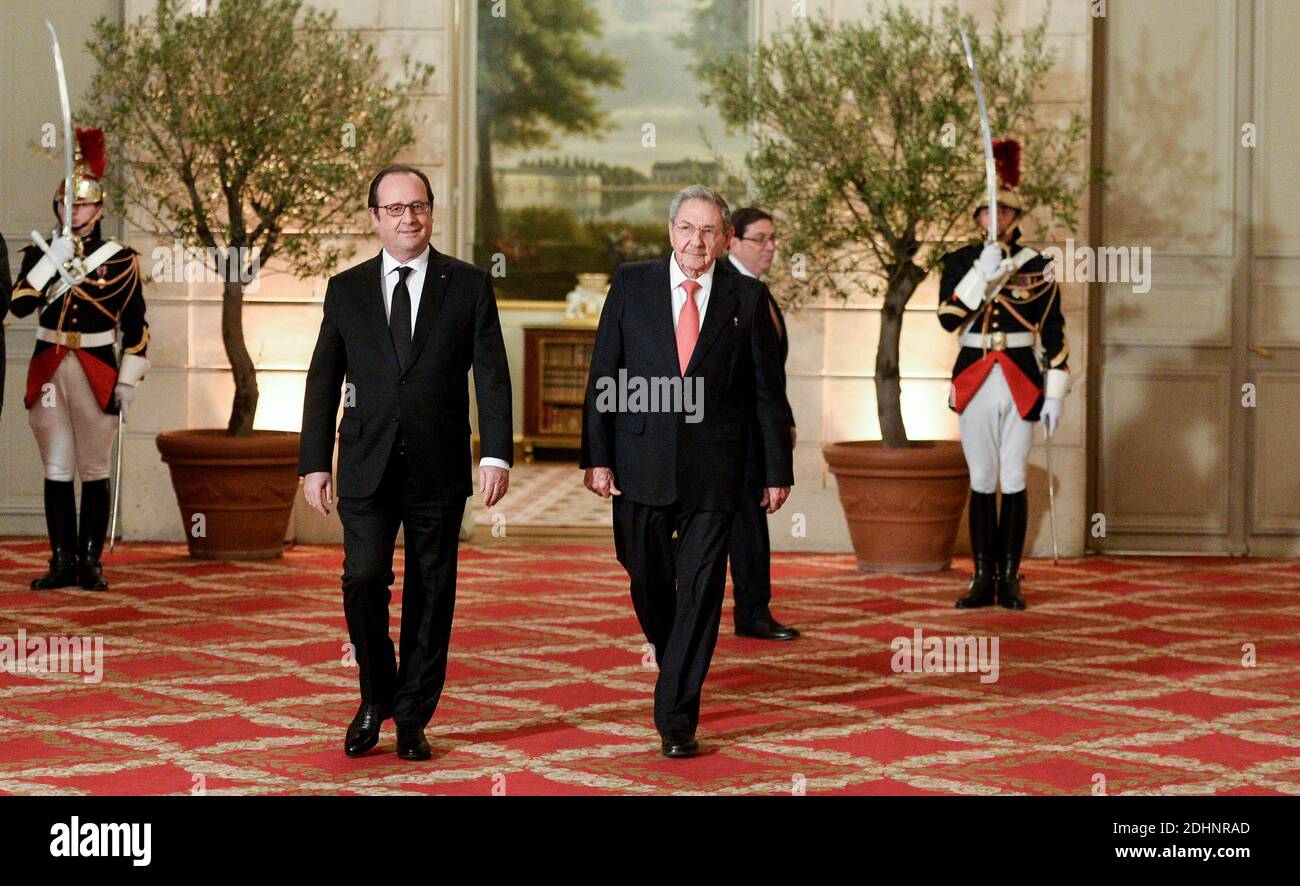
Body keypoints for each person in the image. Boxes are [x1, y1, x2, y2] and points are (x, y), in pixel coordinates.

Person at [298, 164, 513, 761]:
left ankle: (413, 716)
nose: (408, 218)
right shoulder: (346, 288)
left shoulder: (467, 285)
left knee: (433, 590)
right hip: (365, 462)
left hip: (439, 465)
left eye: (417, 206)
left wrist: (495, 452)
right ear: (374, 218)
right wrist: (314, 461)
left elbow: (491, 375)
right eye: (394, 209)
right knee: (362, 578)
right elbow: (323, 379)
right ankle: (375, 694)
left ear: (430, 212)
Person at [581, 185, 794, 758]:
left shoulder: (744, 298)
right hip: (638, 463)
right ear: (670, 231)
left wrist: (776, 470)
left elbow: (766, 395)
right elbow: (605, 373)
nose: (696, 241)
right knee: (645, 573)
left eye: (708, 231)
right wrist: (596, 457)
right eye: (686, 228)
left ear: (724, 239)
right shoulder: (631, 283)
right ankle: (675, 653)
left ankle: (676, 715)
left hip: (717, 471)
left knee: (701, 590)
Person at [8, 127, 149, 592]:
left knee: (93, 467)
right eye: (67, 204)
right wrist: (52, 262)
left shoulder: (121, 260)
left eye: (83, 204)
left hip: (95, 367)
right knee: (56, 466)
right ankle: (61, 558)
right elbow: (21, 305)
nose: (74, 211)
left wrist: (127, 381)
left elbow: (136, 328)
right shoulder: (39, 254)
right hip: (49, 363)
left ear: (99, 209)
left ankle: (91, 561)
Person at [936, 139, 1067, 611]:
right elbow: (950, 319)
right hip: (974, 374)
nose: (997, 221)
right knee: (981, 475)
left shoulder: (1037, 263)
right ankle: (980, 576)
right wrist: (979, 275)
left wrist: (1055, 392)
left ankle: (1009, 577)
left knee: (1013, 476)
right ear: (978, 217)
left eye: (1005, 214)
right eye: (989, 214)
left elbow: (1053, 329)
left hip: (1020, 375)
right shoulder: (957, 262)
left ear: (1015, 217)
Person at [722, 207, 799, 640]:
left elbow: (770, 371)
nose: (770, 248)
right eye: (761, 239)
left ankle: (753, 610)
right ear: (733, 241)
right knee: (742, 522)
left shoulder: (758, 291)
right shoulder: (727, 289)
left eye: (774, 240)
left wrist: (783, 420)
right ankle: (750, 612)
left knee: (752, 519)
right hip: (730, 432)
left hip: (759, 428)